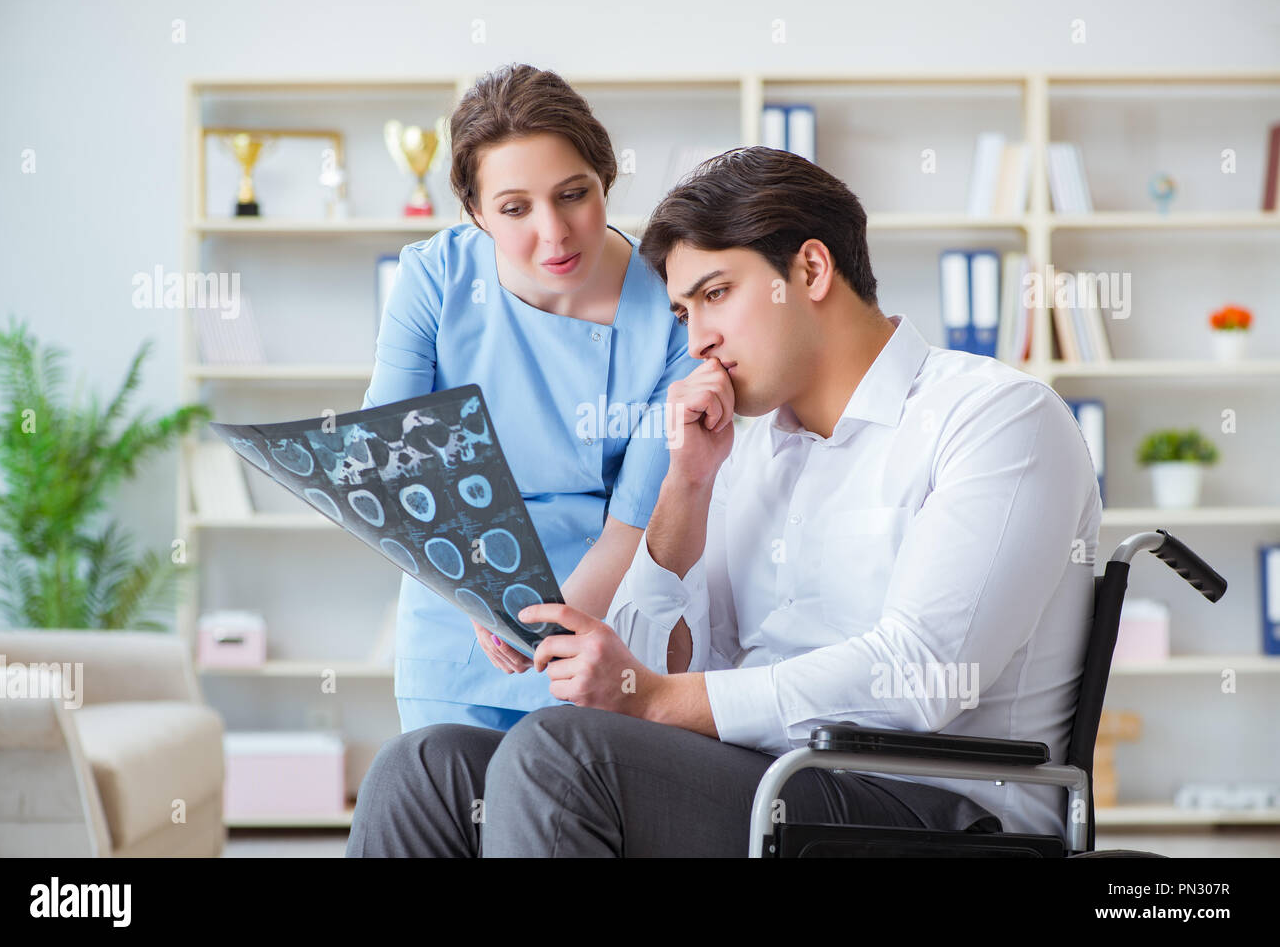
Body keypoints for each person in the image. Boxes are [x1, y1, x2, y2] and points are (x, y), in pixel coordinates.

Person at [345, 146, 1102, 857]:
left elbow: (924, 676)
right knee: (426, 767)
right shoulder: (742, 453)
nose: (698, 339)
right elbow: (649, 672)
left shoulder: (996, 418)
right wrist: (687, 485)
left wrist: (655, 699)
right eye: (681, 314)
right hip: (767, 782)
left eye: (715, 295)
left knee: (560, 753)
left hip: (935, 811)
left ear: (809, 269)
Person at [358, 63, 699, 737]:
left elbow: (635, 521)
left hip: (598, 620)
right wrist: (484, 605)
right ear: (476, 211)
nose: (555, 232)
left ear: (606, 176)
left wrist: (540, 627)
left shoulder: (670, 303)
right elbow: (389, 461)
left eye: (574, 194)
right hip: (455, 612)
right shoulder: (433, 278)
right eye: (515, 208)